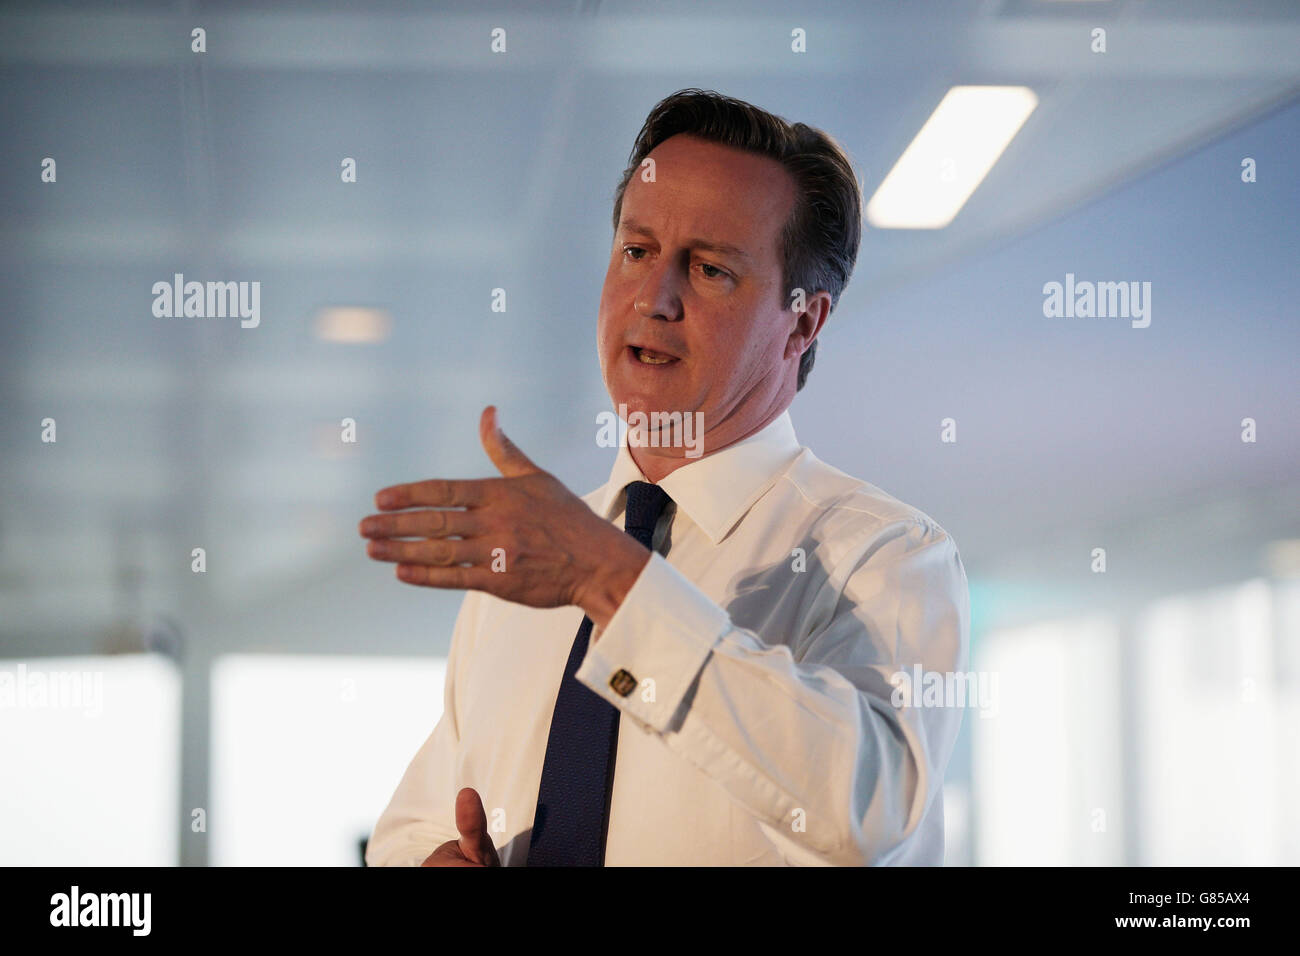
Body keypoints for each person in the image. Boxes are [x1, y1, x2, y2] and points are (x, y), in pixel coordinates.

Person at [360, 88, 969, 866]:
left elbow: (870, 811)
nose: (655, 299)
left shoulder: (883, 555)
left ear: (805, 322)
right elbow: (413, 826)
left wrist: (610, 579)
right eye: (637, 251)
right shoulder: (526, 574)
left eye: (710, 270)